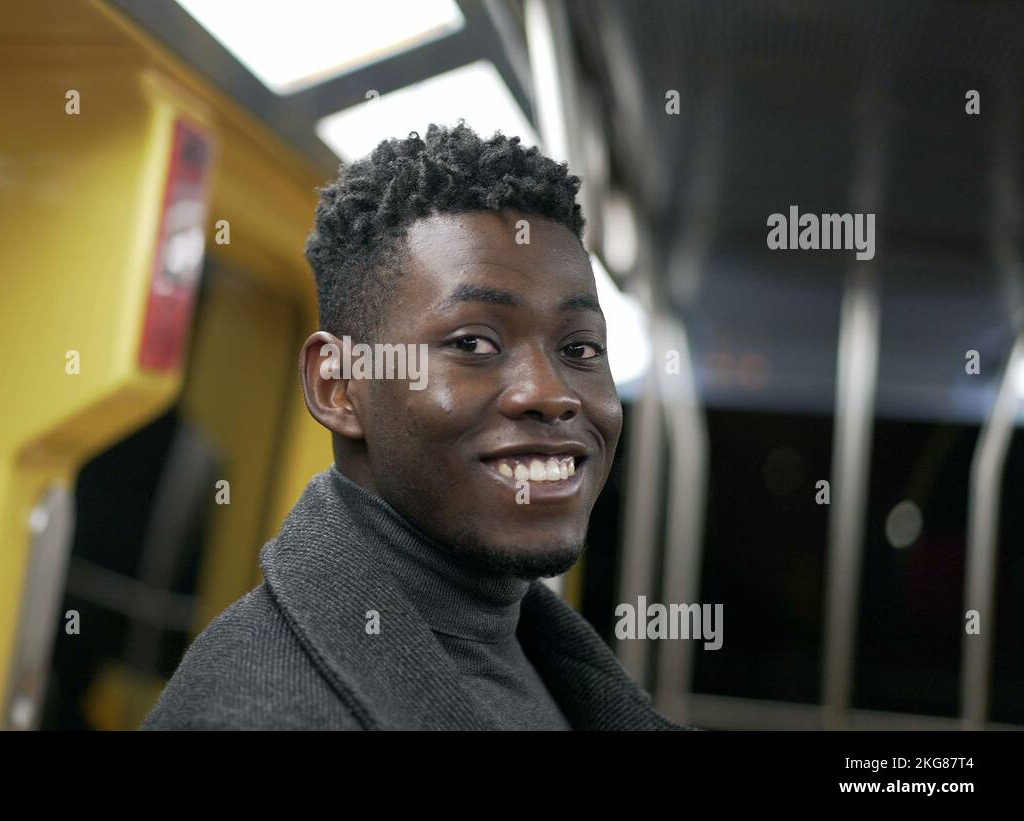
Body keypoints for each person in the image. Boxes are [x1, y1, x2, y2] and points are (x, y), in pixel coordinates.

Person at [143, 122, 687, 730]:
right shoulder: (256, 713)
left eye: (580, 349)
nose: (551, 394)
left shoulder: (529, 651)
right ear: (338, 385)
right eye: (473, 343)